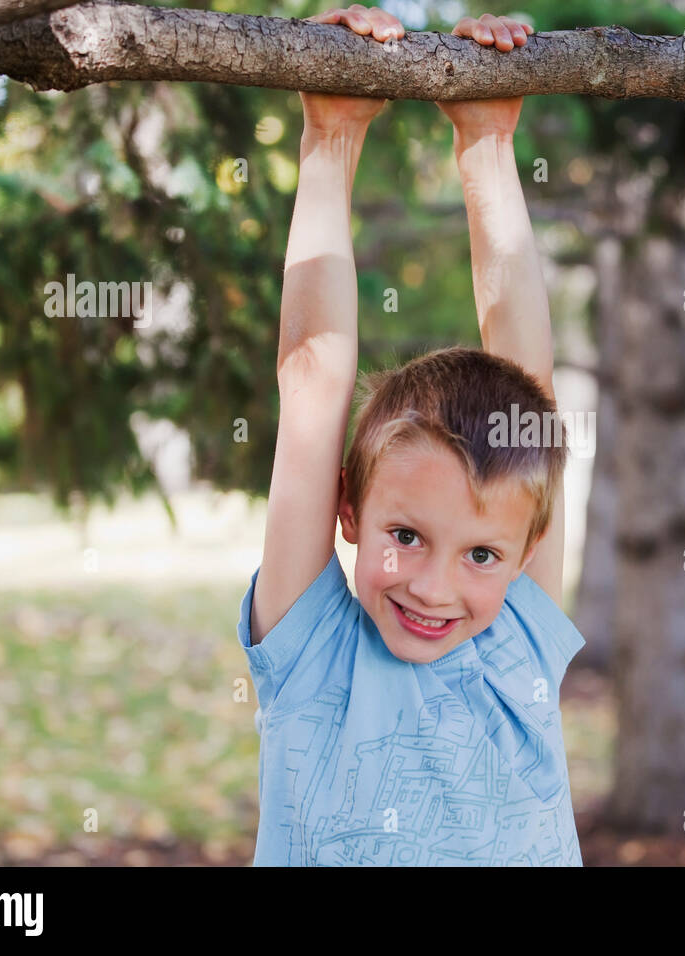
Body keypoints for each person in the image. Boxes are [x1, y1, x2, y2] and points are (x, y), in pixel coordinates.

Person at [237, 5, 585, 865]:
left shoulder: (519, 641)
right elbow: (315, 381)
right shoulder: (310, 649)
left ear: (525, 547)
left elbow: (527, 380)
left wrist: (488, 141)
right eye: (405, 535)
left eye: (480, 555)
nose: (433, 586)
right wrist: (330, 133)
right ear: (348, 510)